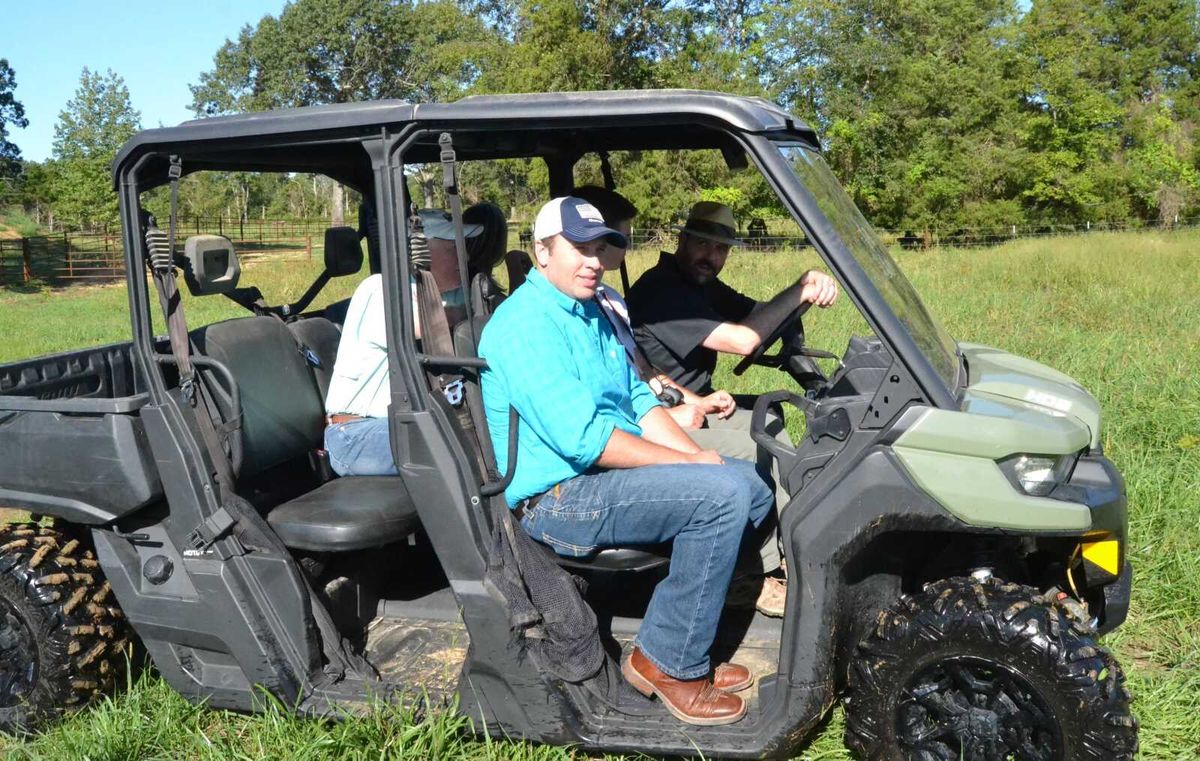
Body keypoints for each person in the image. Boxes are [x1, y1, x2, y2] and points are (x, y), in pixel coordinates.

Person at [478, 196, 774, 726]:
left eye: (599, 249)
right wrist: (691, 470)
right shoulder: (523, 325)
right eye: (578, 248)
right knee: (720, 497)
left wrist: (695, 455)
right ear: (542, 251)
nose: (593, 261)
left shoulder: (590, 311)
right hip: (556, 498)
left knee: (750, 484)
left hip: (599, 478)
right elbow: (586, 441)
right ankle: (669, 663)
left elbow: (637, 399)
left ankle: (679, 638)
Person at [571, 186, 789, 616]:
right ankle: (750, 576)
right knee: (756, 450)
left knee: (769, 419)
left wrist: (687, 400)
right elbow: (591, 422)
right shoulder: (640, 296)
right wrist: (671, 420)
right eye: (613, 240)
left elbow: (641, 372)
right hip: (615, 450)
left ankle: (778, 556)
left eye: (721, 248)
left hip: (656, 414)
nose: (617, 251)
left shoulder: (607, 303)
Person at [322, 207, 488, 477]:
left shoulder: (438, 294)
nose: (465, 257)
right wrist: (474, 310)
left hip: (399, 423)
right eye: (453, 247)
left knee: (477, 427)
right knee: (456, 440)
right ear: (421, 251)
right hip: (355, 434)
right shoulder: (380, 289)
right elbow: (428, 324)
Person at [626, 201, 838, 397]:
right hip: (665, 407)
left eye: (721, 248)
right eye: (703, 243)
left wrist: (802, 285)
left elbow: (760, 313)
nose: (711, 257)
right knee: (766, 419)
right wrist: (801, 292)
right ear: (683, 240)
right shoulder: (661, 290)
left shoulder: (699, 283)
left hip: (694, 399)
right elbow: (743, 341)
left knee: (772, 411)